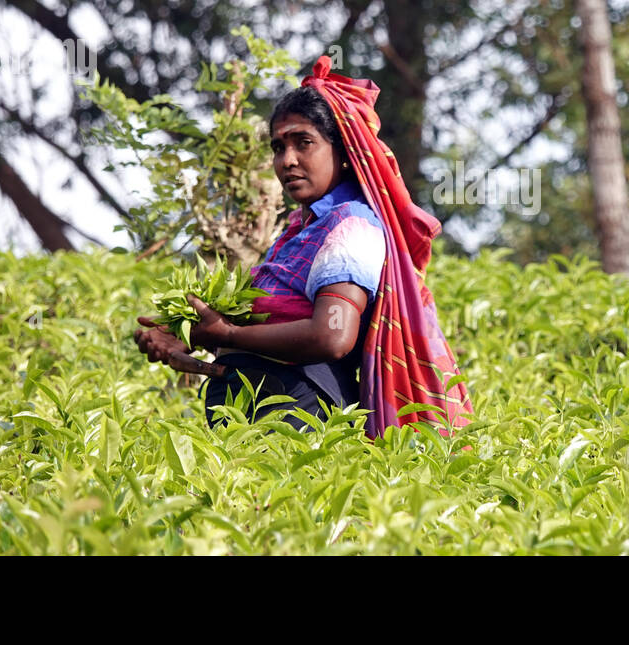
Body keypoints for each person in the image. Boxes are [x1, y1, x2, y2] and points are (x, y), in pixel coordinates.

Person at [134, 56, 473, 438]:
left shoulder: (351, 226)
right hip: (261, 408)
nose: (287, 160)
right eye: (279, 147)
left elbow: (331, 335)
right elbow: (271, 328)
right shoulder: (300, 230)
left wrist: (225, 335)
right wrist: (188, 336)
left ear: (343, 153)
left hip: (301, 410)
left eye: (304, 143)